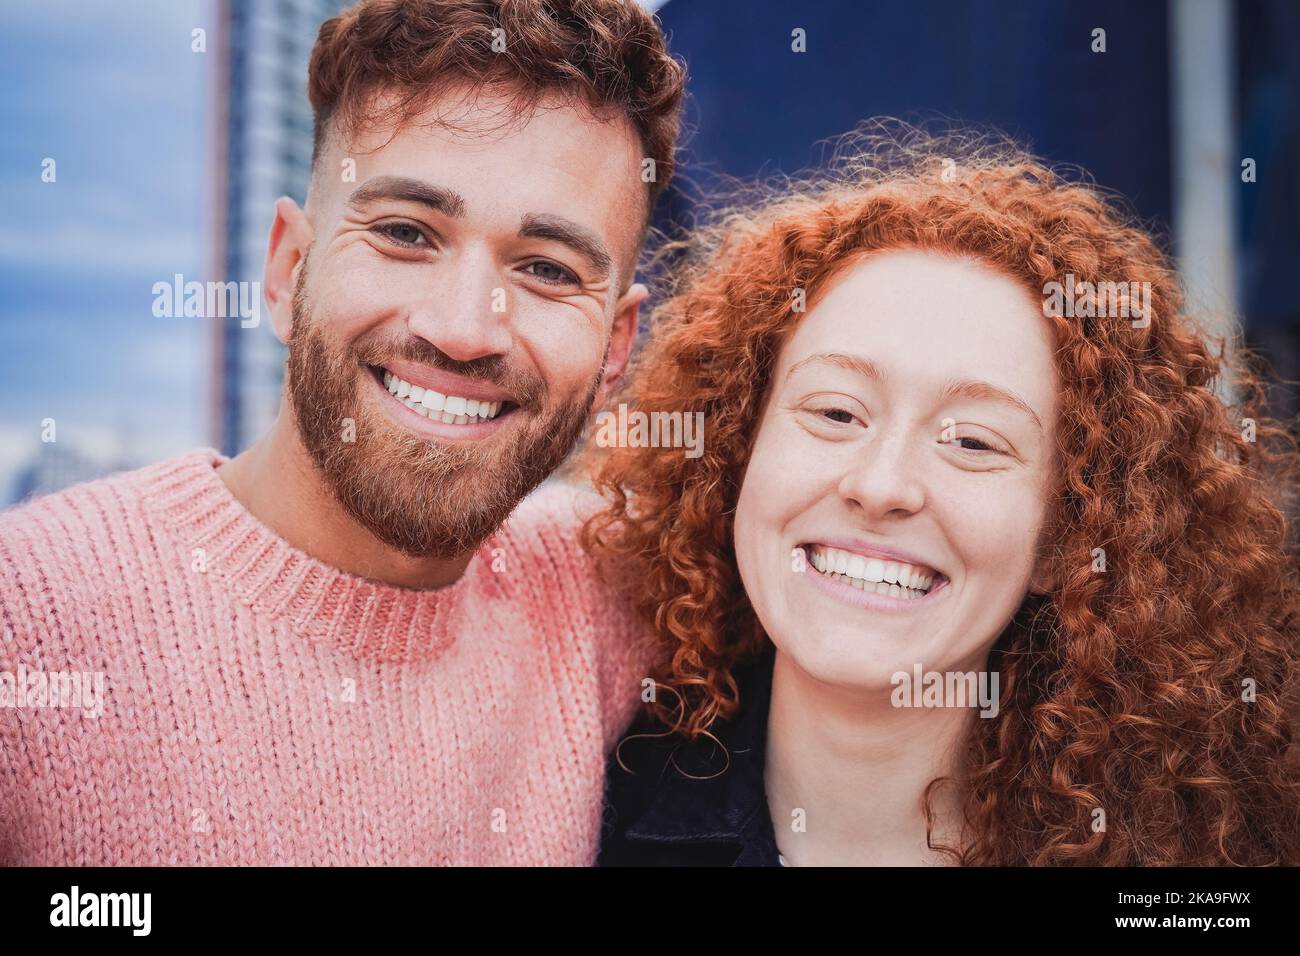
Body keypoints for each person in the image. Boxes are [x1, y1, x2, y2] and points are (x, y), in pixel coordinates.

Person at [0, 0, 684, 865]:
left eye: (547, 270)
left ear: (617, 345)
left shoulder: (614, 594)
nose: (465, 327)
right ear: (289, 269)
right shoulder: (25, 615)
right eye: (406, 233)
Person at [591, 124, 1300, 866]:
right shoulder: (579, 820)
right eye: (836, 413)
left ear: (1066, 539)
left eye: (972, 442)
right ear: (737, 456)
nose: (880, 485)